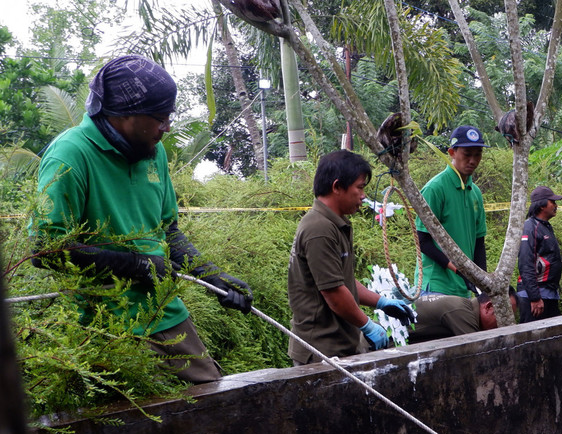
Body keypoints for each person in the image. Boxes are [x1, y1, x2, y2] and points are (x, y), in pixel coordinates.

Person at [32, 55, 252, 384]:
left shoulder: (153, 151)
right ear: (124, 114)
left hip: (164, 315)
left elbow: (168, 232)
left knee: (213, 395)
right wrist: (136, 266)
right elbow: (47, 249)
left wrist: (210, 275)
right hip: (100, 322)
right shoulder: (70, 155)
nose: (167, 127)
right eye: (160, 118)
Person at [287, 149, 415, 364]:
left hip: (343, 344)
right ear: (337, 187)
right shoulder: (318, 229)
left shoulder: (335, 224)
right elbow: (334, 293)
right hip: (321, 350)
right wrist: (367, 325)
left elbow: (341, 280)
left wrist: (381, 302)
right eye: (360, 188)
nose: (363, 195)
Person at [408, 124, 493, 342]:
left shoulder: (475, 193)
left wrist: (482, 283)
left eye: (477, 154)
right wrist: (457, 269)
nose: (472, 160)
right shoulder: (435, 188)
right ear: (452, 153)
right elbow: (423, 241)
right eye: (467, 154)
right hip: (434, 287)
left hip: (462, 290)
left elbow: (479, 242)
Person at [516, 185, 562, 322]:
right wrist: (535, 297)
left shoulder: (545, 227)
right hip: (534, 297)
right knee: (531, 339)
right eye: (552, 202)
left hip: (549, 294)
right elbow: (526, 263)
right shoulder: (530, 227)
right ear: (542, 205)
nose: (556, 205)